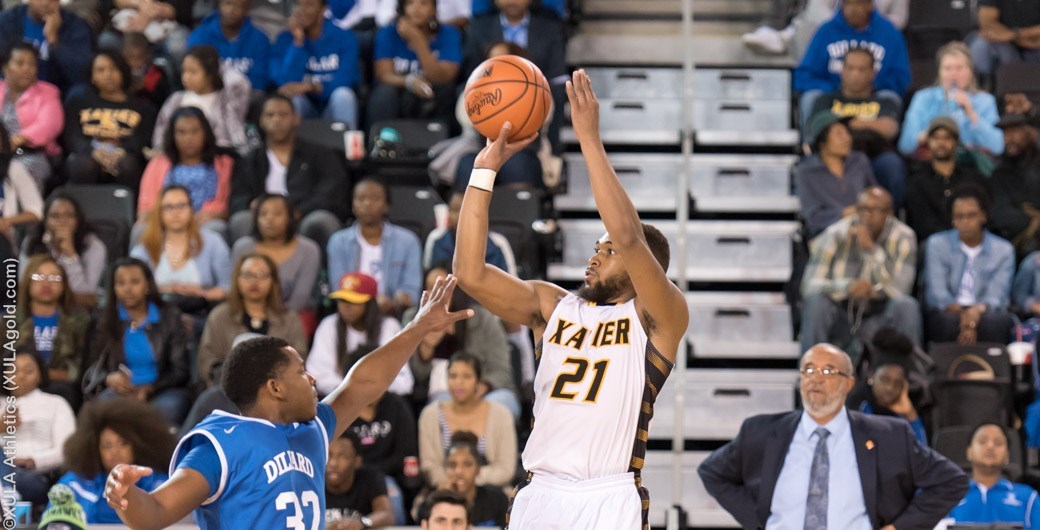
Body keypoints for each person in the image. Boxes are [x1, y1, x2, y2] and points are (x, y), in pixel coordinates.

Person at [453, 70, 689, 529]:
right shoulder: (552, 305)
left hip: (608, 493)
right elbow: (470, 272)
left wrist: (589, 142)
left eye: (608, 251)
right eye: (596, 248)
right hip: (540, 491)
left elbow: (630, 235)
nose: (595, 256)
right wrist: (484, 172)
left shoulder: (658, 315)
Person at [101, 275, 473, 529]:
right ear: (275, 387)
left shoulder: (312, 430)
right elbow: (158, 512)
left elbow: (364, 382)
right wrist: (126, 496)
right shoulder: (218, 443)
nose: (313, 379)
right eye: (301, 372)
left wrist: (419, 328)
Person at [698, 343, 968, 529]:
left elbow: (952, 482)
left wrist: (898, 528)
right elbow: (711, 471)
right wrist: (758, 521)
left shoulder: (889, 435)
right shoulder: (762, 431)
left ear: (849, 383)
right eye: (809, 370)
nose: (816, 378)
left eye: (828, 371)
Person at [800, 187, 921, 352]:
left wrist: (872, 249)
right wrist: (847, 286)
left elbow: (901, 290)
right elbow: (808, 286)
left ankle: (913, 374)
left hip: (881, 313)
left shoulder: (904, 236)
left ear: (890, 214)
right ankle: (811, 370)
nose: (867, 216)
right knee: (816, 302)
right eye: (862, 209)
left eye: (875, 210)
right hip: (842, 314)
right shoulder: (835, 233)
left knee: (907, 306)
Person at [228, 94, 347, 248]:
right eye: (270, 115)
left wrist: (295, 212)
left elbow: (330, 192)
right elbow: (237, 197)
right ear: (262, 121)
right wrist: (253, 205)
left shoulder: (320, 154)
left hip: (304, 215)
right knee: (241, 220)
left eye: (283, 115)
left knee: (321, 220)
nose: (277, 120)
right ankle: (249, 270)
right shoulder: (250, 160)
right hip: (264, 217)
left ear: (295, 118)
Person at [85, 258, 192, 426]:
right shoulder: (103, 318)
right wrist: (108, 379)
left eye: (134, 282)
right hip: (119, 391)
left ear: (147, 285)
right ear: (114, 288)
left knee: (168, 408)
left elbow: (180, 370)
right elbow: (91, 365)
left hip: (162, 390)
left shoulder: (169, 316)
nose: (127, 289)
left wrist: (149, 388)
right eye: (121, 283)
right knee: (104, 407)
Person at [409, 265, 518, 417]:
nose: (436, 292)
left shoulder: (483, 319)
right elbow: (414, 378)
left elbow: (501, 370)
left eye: (442, 286)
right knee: (440, 409)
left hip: (484, 391)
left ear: (456, 288)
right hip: (442, 392)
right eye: (430, 287)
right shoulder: (413, 320)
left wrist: (480, 387)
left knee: (503, 405)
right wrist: (426, 348)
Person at [806, 48, 905, 208]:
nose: (855, 74)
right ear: (842, 71)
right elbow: (815, 132)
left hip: (875, 158)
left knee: (892, 164)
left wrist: (848, 122)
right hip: (837, 159)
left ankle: (890, 216)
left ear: (872, 73)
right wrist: (871, 124)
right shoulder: (825, 100)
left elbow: (890, 129)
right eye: (850, 68)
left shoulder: (884, 100)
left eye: (861, 69)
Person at [462, 0, 567, 150]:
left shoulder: (550, 28)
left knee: (557, 91)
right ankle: (482, 146)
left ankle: (548, 149)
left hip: (535, 100)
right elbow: (472, 73)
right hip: (490, 97)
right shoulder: (479, 27)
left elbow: (557, 76)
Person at [197, 253, 308, 388]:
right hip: (228, 391)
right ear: (236, 279)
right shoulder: (219, 316)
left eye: (262, 275)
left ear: (273, 281)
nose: (254, 282)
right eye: (247, 275)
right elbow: (207, 362)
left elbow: (298, 362)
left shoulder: (290, 319)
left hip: (278, 392)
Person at [794, 0, 910, 127]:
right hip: (831, 96)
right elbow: (803, 76)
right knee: (810, 98)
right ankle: (810, 145)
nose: (853, 9)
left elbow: (901, 77)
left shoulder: (889, 32)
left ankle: (886, 146)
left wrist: (871, 87)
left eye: (859, 3)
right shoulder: (826, 31)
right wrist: (835, 88)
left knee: (891, 97)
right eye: (848, 3)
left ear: (870, 5)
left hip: (875, 97)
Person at [924, 185, 1016, 345]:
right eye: (959, 216)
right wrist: (964, 314)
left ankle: (994, 368)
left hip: (985, 310)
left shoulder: (1003, 250)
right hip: (950, 310)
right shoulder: (937, 244)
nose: (965, 222)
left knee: (996, 323)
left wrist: (975, 312)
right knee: (945, 322)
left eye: (971, 215)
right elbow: (937, 293)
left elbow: (997, 295)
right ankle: (943, 369)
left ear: (983, 216)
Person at [59, 397, 174, 523]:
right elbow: (52, 524)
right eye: (107, 446)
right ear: (95, 450)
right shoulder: (74, 484)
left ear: (137, 445)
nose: (115, 451)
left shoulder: (158, 482)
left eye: (123, 443)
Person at [418, 353, 516, 489]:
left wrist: (467, 479)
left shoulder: (501, 415)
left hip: (491, 492)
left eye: (466, 376)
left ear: (479, 381)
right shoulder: (430, 415)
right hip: (445, 490)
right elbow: (430, 466)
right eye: (453, 376)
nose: (459, 382)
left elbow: (505, 469)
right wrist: (451, 483)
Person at [328, 178, 423, 317]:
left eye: (375, 198)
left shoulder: (408, 241)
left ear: (386, 205)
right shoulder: (338, 241)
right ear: (353, 204)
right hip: (351, 313)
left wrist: (398, 300)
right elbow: (338, 286)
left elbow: (412, 291)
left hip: (393, 314)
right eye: (361, 198)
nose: (367, 203)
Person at [63, 49, 156, 190]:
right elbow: (72, 135)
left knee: (128, 165)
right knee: (83, 165)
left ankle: (126, 210)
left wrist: (121, 152)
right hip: (88, 153)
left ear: (123, 71)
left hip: (124, 155)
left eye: (113, 68)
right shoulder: (79, 99)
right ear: (92, 76)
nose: (108, 75)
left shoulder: (142, 107)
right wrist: (92, 151)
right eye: (100, 70)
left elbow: (141, 139)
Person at [307, 272, 411, 396]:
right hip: (338, 399)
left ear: (369, 304)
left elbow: (403, 382)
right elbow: (319, 373)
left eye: (352, 301)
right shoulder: (329, 325)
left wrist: (368, 394)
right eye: (342, 300)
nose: (345, 306)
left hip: (380, 401)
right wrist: (350, 393)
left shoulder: (388, 326)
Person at [130, 185, 231, 311]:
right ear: (159, 212)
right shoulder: (146, 246)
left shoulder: (213, 242)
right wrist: (165, 290)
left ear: (191, 209)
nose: (175, 212)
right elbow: (132, 285)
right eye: (168, 207)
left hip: (201, 312)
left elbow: (228, 287)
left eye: (181, 206)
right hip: (157, 313)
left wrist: (202, 293)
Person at [898, 42, 1005, 159]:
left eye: (959, 68)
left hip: (971, 167)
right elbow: (905, 146)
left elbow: (998, 147)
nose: (953, 74)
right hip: (931, 163)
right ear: (940, 72)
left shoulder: (985, 101)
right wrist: (936, 130)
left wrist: (971, 113)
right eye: (947, 68)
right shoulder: (923, 98)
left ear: (970, 71)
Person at [367, 0, 461, 128]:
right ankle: (379, 141)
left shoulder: (449, 34)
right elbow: (383, 74)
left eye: (423, 3)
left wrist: (417, 39)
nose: (416, 8)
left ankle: (438, 142)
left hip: (433, 94)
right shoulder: (388, 33)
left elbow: (443, 77)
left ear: (433, 9)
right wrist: (409, 82)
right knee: (384, 93)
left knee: (446, 90)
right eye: (410, 3)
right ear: (402, 8)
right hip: (399, 92)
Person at [0, 349, 75, 507]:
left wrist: (34, 461)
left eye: (28, 370)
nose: (20, 376)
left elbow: (68, 450)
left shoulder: (55, 403)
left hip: (33, 475)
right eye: (13, 370)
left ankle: (6, 494)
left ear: (40, 374)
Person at [16, 254, 92, 408]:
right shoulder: (9, 321)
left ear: (64, 285)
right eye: (38, 277)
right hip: (17, 384)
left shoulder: (80, 320)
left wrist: (45, 375)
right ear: (28, 282)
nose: (46, 283)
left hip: (61, 387)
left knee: (63, 393)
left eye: (54, 278)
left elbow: (83, 366)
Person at [137, 107, 234, 229]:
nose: (188, 138)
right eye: (181, 132)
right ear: (173, 135)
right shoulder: (158, 164)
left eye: (195, 131)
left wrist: (214, 215)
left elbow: (227, 207)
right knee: (140, 229)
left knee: (216, 227)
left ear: (205, 133)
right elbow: (146, 207)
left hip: (205, 223)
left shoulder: (224, 164)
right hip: (164, 222)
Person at [272, 0, 361, 128]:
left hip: (332, 105)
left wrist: (311, 87)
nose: (301, 10)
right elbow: (285, 84)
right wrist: (298, 43)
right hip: (304, 108)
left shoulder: (344, 37)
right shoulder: (284, 39)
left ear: (323, 9)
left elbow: (344, 81)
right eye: (297, 5)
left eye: (309, 5)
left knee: (344, 96)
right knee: (293, 99)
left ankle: (346, 146)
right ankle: (291, 147)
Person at [231, 193, 323, 313]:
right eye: (263, 214)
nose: (269, 219)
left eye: (277, 213)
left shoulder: (309, 249)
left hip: (292, 317)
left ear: (290, 217)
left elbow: (301, 297)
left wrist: (274, 321)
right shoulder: (242, 247)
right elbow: (235, 290)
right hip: (247, 314)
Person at [151, 45, 250, 153]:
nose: (186, 77)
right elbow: (161, 133)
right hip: (178, 159)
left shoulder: (226, 101)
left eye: (193, 72)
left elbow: (239, 82)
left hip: (216, 158)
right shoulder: (176, 99)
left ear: (210, 74)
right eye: (184, 71)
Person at [905, 117, 988, 243]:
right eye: (936, 138)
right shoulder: (917, 182)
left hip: (972, 241)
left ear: (955, 142)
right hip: (935, 244)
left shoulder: (972, 179)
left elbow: (984, 214)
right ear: (929, 142)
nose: (941, 143)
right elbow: (922, 223)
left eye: (947, 138)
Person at [796, 111, 877, 237]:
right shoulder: (806, 172)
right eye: (839, 134)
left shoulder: (859, 161)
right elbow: (813, 217)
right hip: (827, 233)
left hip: (864, 226)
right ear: (822, 142)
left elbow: (873, 193)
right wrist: (845, 213)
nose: (847, 138)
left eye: (847, 132)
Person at [20, 193, 107, 306]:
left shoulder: (94, 246)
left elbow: (85, 295)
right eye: (55, 216)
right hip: (38, 307)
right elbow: (25, 285)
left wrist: (70, 254)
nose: (62, 221)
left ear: (78, 220)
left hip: (79, 311)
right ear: (45, 221)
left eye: (69, 215)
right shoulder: (32, 242)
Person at [947, 423, 1040, 526]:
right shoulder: (948, 496)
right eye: (982, 441)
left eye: (998, 443)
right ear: (969, 452)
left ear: (1007, 456)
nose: (990, 446)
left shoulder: (1028, 497)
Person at [346, 391, 419, 520]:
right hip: (350, 475)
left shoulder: (396, 405)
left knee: (393, 499)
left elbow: (406, 451)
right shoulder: (343, 407)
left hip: (387, 475)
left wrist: (373, 471)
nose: (373, 389)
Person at [0, 42, 63, 190]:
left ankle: (25, 212)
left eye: (31, 64)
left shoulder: (47, 92)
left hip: (31, 153)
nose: (27, 69)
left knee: (21, 170)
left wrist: (17, 139)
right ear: (6, 67)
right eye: (20, 63)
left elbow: (50, 125)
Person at [412, 431, 508, 526]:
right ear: (445, 469)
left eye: (467, 464)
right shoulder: (430, 502)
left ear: (478, 469)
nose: (459, 471)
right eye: (452, 465)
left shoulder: (497, 500)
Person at [0, 0, 93, 93]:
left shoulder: (75, 25)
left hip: (57, 88)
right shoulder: (8, 20)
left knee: (80, 90)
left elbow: (81, 73)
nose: (45, 3)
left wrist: (53, 40)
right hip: (11, 87)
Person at [187, 0, 270, 92]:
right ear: (219, 4)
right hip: (208, 95)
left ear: (246, 10)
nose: (230, 10)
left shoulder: (259, 39)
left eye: (238, 6)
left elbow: (260, 81)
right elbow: (193, 76)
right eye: (227, 3)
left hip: (247, 97)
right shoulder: (200, 36)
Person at [988, 113, 1040, 249]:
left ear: (1030, 133)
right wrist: (1033, 220)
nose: (1009, 138)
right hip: (1019, 241)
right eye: (1005, 133)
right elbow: (1000, 213)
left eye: (1015, 132)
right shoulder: (1000, 173)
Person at [325, 430, 395, 530]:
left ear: (357, 461)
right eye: (329, 455)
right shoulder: (311, 480)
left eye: (342, 456)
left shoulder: (371, 478)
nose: (333, 463)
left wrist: (362, 522)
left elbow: (386, 514)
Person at [850, 357, 928, 446]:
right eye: (884, 380)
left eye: (897, 383)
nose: (890, 388)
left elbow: (921, 454)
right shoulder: (858, 408)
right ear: (871, 375)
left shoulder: (902, 415)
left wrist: (910, 414)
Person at [970, 0, 1040, 81]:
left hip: (1034, 43)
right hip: (1005, 43)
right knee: (981, 45)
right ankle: (981, 89)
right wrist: (1015, 38)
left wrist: (1016, 35)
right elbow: (987, 23)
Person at [123, 32, 171, 109]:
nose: (133, 62)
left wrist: (145, 87)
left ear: (146, 56)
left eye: (139, 58)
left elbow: (162, 100)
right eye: (129, 58)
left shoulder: (156, 73)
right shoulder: (119, 73)